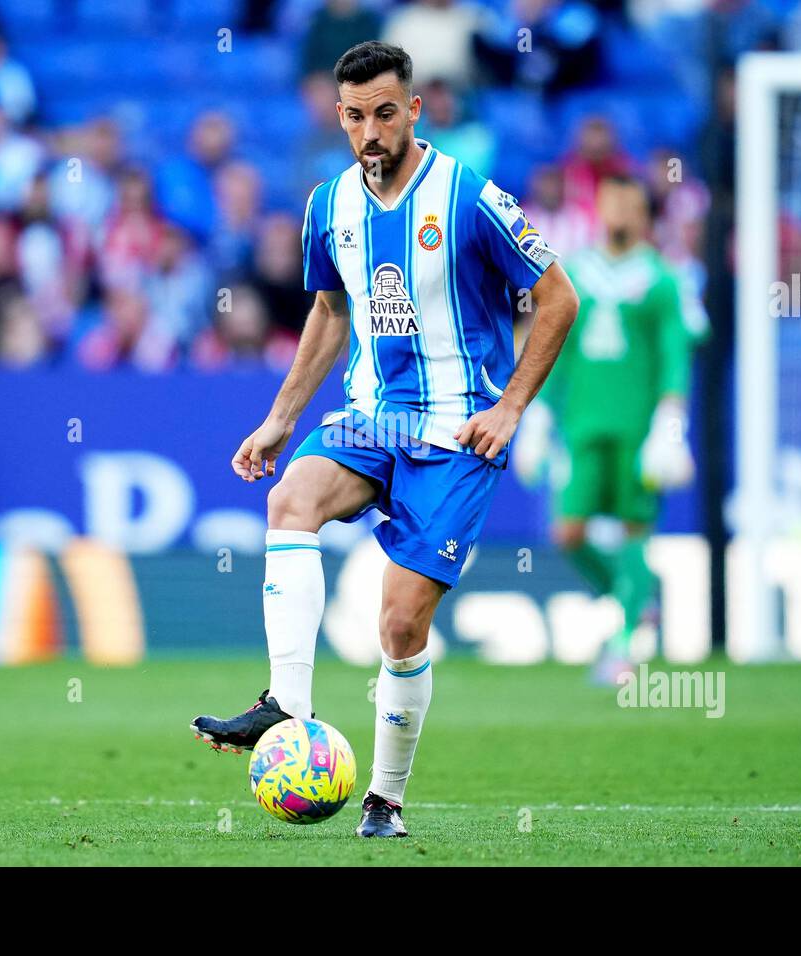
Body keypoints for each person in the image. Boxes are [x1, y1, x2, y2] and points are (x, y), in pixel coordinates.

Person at [190, 41, 578, 838]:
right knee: (290, 496)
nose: (372, 131)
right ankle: (286, 702)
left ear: (415, 110)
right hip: (372, 417)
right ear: (340, 117)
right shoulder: (328, 205)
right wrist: (283, 415)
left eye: (386, 113)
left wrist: (509, 408)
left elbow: (558, 296)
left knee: (400, 626)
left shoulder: (468, 197)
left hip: (457, 429)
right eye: (356, 117)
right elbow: (330, 311)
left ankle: (385, 800)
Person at [521, 175, 700, 684]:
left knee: (634, 530)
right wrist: (536, 415)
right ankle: (631, 598)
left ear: (644, 214)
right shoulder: (574, 273)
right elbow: (557, 348)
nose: (620, 210)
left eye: (630, 202)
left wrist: (670, 424)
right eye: (612, 201)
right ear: (599, 207)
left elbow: (674, 354)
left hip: (638, 430)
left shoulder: (663, 280)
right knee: (568, 532)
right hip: (582, 425)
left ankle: (622, 646)